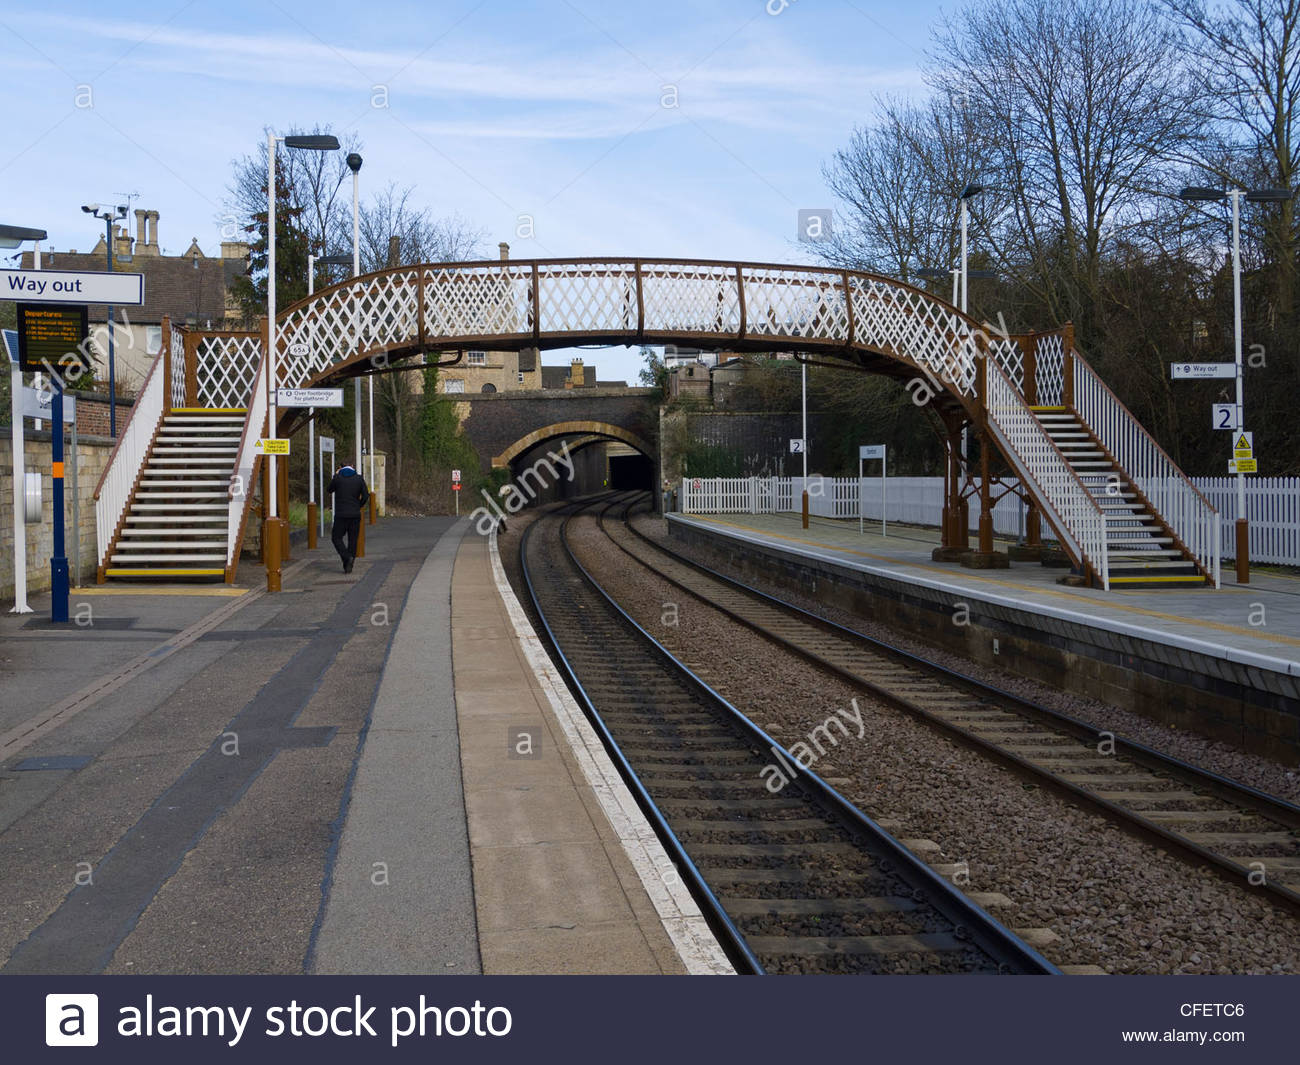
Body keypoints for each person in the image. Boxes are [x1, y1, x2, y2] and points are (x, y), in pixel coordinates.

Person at [328, 463, 370, 573]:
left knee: (336, 538)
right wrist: (358, 505)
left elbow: (329, 489)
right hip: (355, 514)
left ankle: (346, 558)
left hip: (341, 514)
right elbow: (366, 496)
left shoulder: (338, 478)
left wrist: (335, 476)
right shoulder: (359, 479)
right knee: (353, 540)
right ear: (352, 467)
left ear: (340, 468)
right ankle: (348, 566)